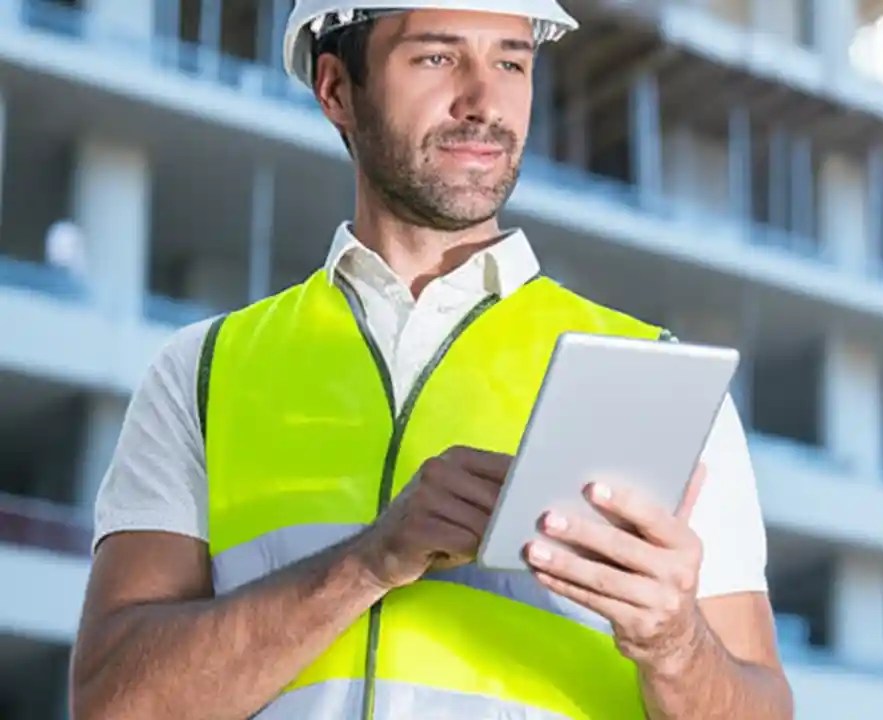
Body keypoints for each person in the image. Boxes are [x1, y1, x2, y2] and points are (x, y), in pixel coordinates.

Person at [69, 2, 793, 718]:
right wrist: (369, 562)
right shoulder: (203, 373)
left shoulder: (655, 380)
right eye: (437, 57)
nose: (484, 101)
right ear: (336, 89)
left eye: (511, 62)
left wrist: (674, 645)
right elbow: (112, 705)